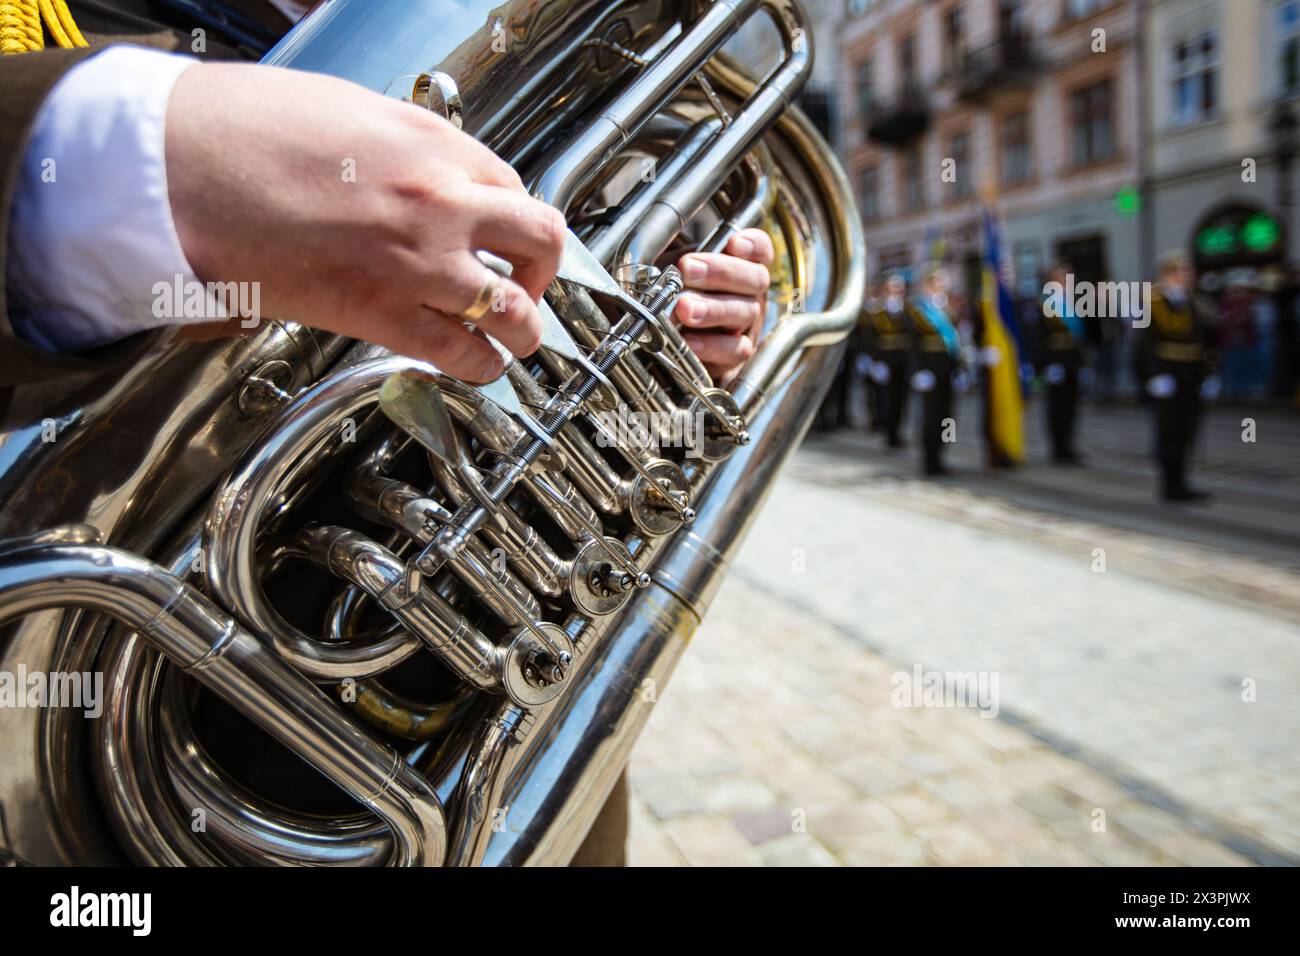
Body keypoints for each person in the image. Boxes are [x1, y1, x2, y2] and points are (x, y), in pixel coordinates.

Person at [0, 2, 773, 868]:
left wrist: (665, 334)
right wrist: (153, 165)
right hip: (184, 776)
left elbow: (569, 304)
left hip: (508, 739)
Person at [1136, 250, 1213, 502]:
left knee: (1188, 429)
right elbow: (1144, 343)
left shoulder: (1190, 300)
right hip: (1167, 372)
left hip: (1191, 373)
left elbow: (1203, 339)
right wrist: (1153, 375)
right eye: (1183, 270)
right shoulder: (1152, 300)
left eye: (1189, 271)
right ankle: (1169, 484)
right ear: (1169, 272)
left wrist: (1209, 373)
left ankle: (1182, 480)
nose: (1188, 275)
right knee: (1168, 430)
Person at [908, 265, 961, 476]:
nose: (942, 287)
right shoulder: (918, 310)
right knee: (930, 417)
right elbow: (911, 343)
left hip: (947, 369)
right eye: (938, 283)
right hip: (928, 370)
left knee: (947, 417)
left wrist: (959, 369)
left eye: (944, 284)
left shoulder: (947, 308)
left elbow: (955, 341)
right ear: (928, 284)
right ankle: (929, 459)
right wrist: (917, 370)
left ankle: (942, 454)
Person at [1037, 262, 1085, 464]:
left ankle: (1069, 445)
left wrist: (1082, 363)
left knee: (1071, 406)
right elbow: (1039, 337)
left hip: (1072, 361)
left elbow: (1078, 337)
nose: (1068, 281)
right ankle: (1058, 448)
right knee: (1056, 407)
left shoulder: (1072, 302)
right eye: (1063, 277)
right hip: (1055, 362)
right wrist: (1047, 365)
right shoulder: (1045, 304)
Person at [864, 273, 911, 448]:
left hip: (903, 359)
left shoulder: (907, 309)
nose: (898, 290)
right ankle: (888, 432)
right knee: (887, 398)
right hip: (885, 358)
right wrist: (873, 361)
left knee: (902, 398)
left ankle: (898, 431)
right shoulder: (877, 312)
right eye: (894, 286)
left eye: (900, 287)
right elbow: (870, 338)